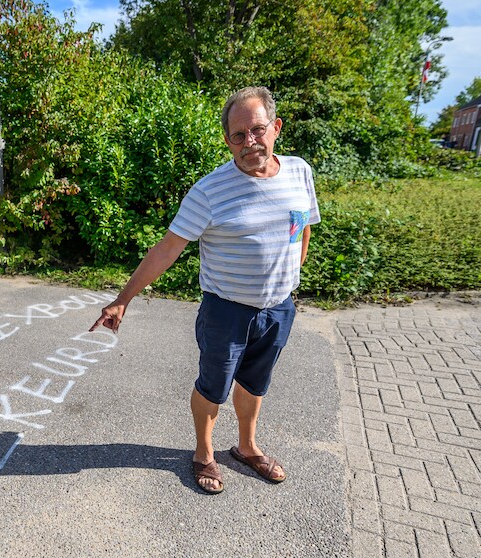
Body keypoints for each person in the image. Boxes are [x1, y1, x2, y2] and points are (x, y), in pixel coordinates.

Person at [89, 86, 319, 495]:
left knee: (255, 383)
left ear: (276, 128)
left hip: (278, 308)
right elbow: (167, 249)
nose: (250, 142)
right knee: (214, 386)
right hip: (226, 311)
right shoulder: (210, 191)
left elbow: (303, 227)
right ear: (228, 140)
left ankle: (246, 447)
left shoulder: (300, 172)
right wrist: (123, 299)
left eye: (257, 130)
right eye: (238, 135)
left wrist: (291, 274)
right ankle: (203, 453)